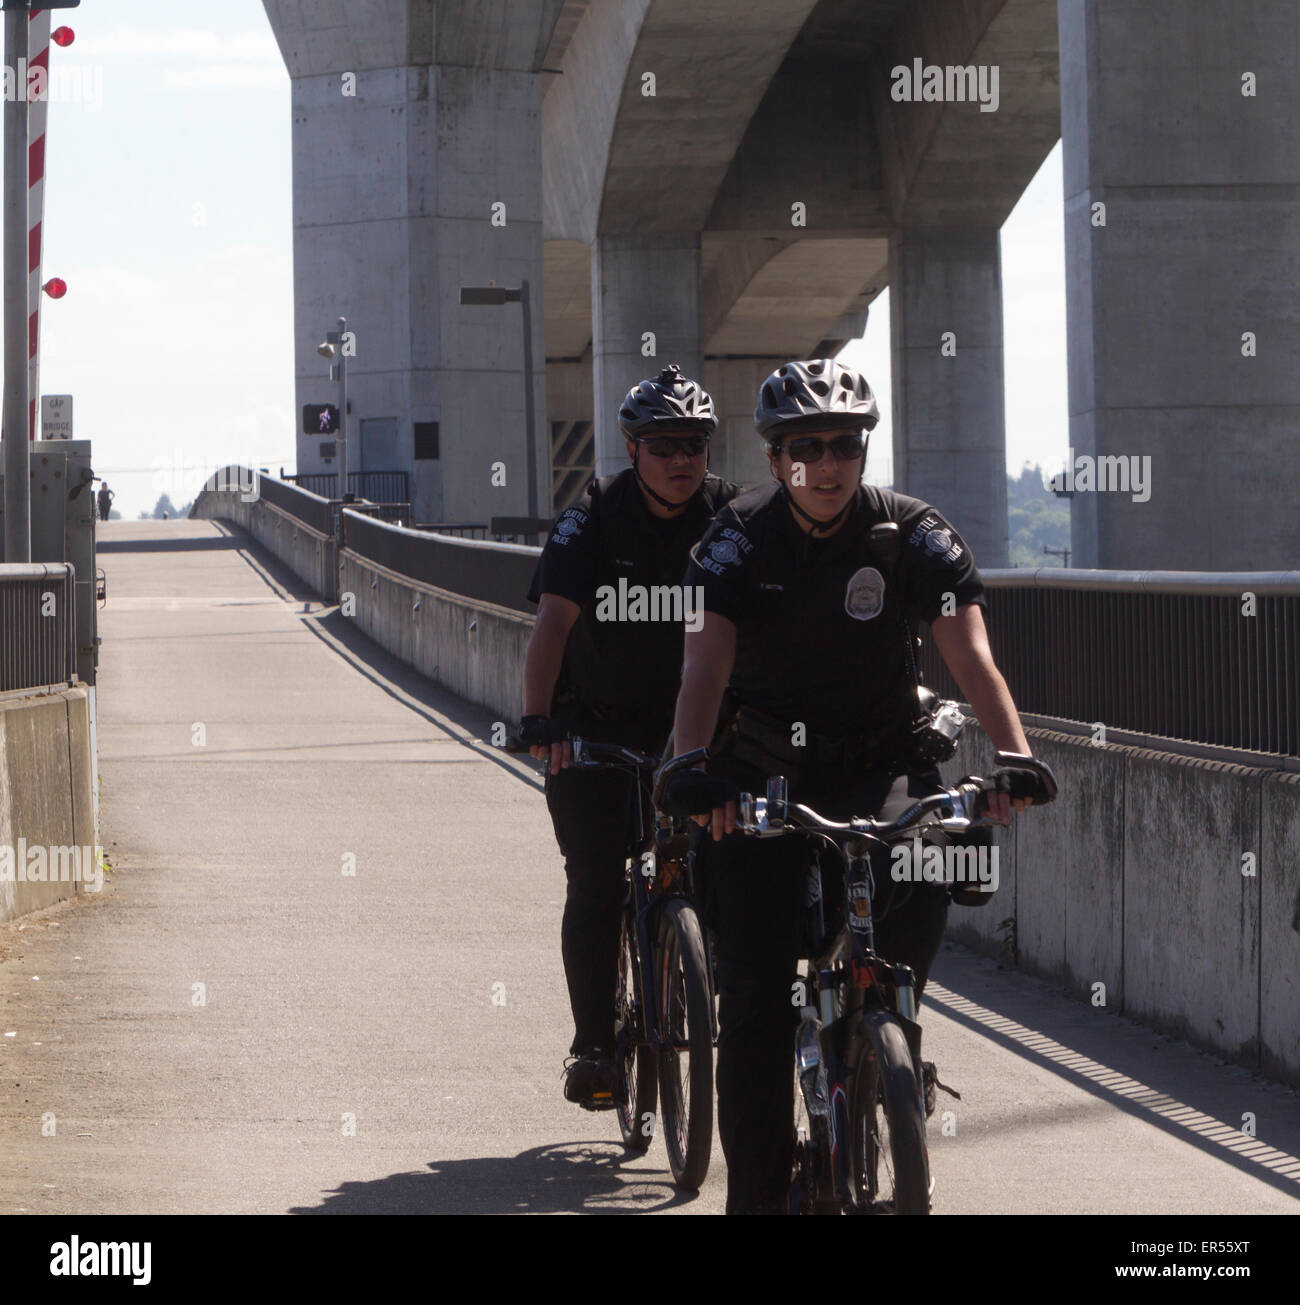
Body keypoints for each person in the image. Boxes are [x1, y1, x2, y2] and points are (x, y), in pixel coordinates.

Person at [663, 357, 1056, 1213]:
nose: (828, 464)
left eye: (845, 444)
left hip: (882, 764)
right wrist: (690, 766)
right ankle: (758, 1195)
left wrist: (1013, 756)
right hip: (760, 773)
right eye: (806, 448)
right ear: (776, 459)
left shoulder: (910, 533)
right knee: (758, 1007)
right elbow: (703, 667)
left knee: (920, 882)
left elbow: (971, 656)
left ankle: (881, 1044)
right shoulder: (732, 541)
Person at [520, 364, 740, 1108]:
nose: (682, 459)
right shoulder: (593, 518)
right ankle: (593, 1046)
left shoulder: (731, 516)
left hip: (698, 729)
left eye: (694, 445)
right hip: (595, 728)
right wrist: (540, 720)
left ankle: (712, 994)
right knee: (596, 881)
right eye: (664, 445)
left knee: (736, 868)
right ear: (631, 448)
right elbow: (552, 623)